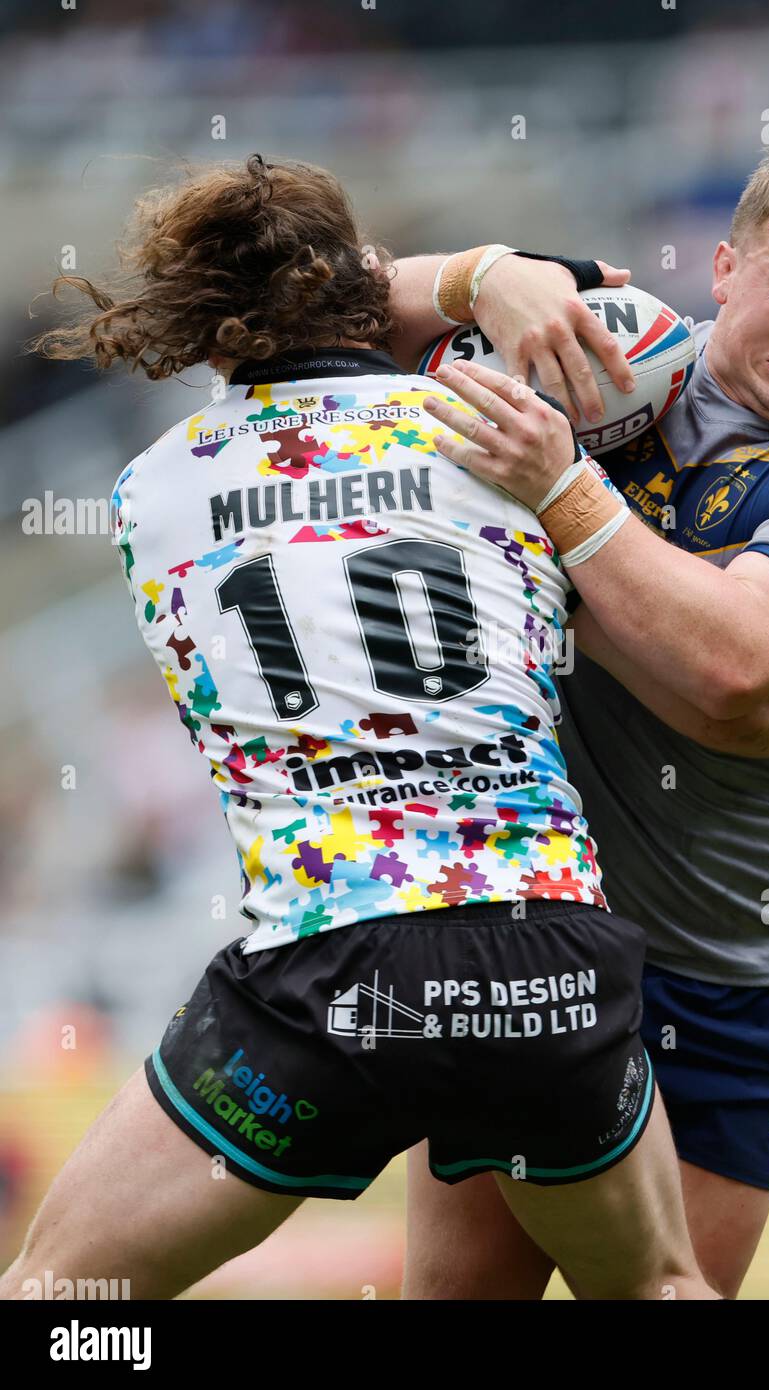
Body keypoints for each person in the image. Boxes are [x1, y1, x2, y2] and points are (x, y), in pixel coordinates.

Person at [0, 155, 722, 1302]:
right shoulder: (514, 440)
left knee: (58, 1298)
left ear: (207, 325)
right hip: (540, 965)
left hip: (320, 977)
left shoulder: (151, 492)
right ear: (365, 282)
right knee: (658, 1288)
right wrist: (492, 279)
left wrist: (463, 281)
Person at [386, 138, 769, 1298]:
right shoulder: (603, 342)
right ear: (723, 270)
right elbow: (339, 308)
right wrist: (478, 272)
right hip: (525, 922)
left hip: (722, 972)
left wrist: (557, 495)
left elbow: (731, 669)